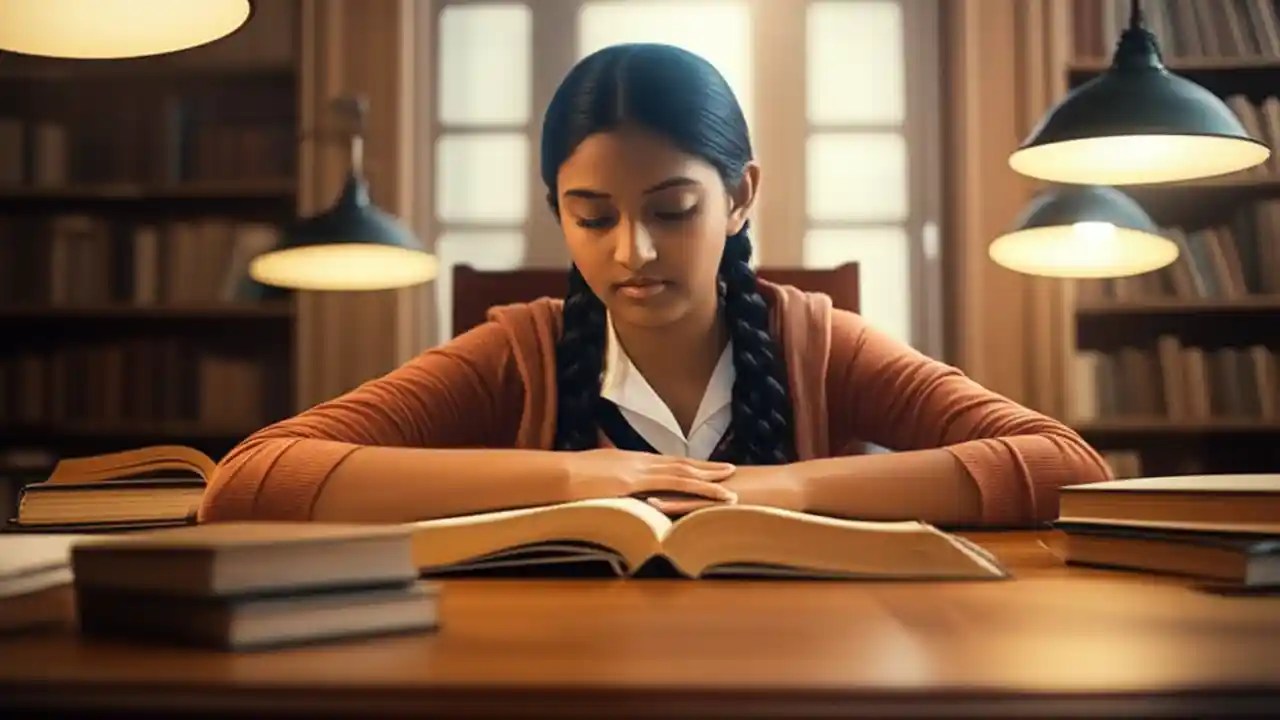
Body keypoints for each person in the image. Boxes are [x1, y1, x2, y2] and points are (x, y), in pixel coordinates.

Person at [199, 43, 1109, 528]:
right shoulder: (518, 351)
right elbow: (251, 481)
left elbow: (1065, 466)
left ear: (740, 197)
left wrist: (787, 491)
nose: (633, 250)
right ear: (557, 211)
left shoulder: (818, 342)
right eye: (592, 216)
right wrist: (566, 477)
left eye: (672, 210)